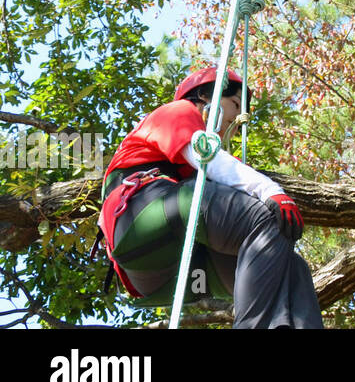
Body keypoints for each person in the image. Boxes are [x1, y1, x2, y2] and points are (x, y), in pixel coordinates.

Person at [97, 67, 323, 328]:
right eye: (235, 104)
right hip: (140, 215)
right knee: (265, 217)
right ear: (205, 97)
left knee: (288, 264)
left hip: (169, 265)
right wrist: (270, 189)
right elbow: (207, 156)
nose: (237, 119)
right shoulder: (177, 112)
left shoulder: (208, 163)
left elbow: (226, 173)